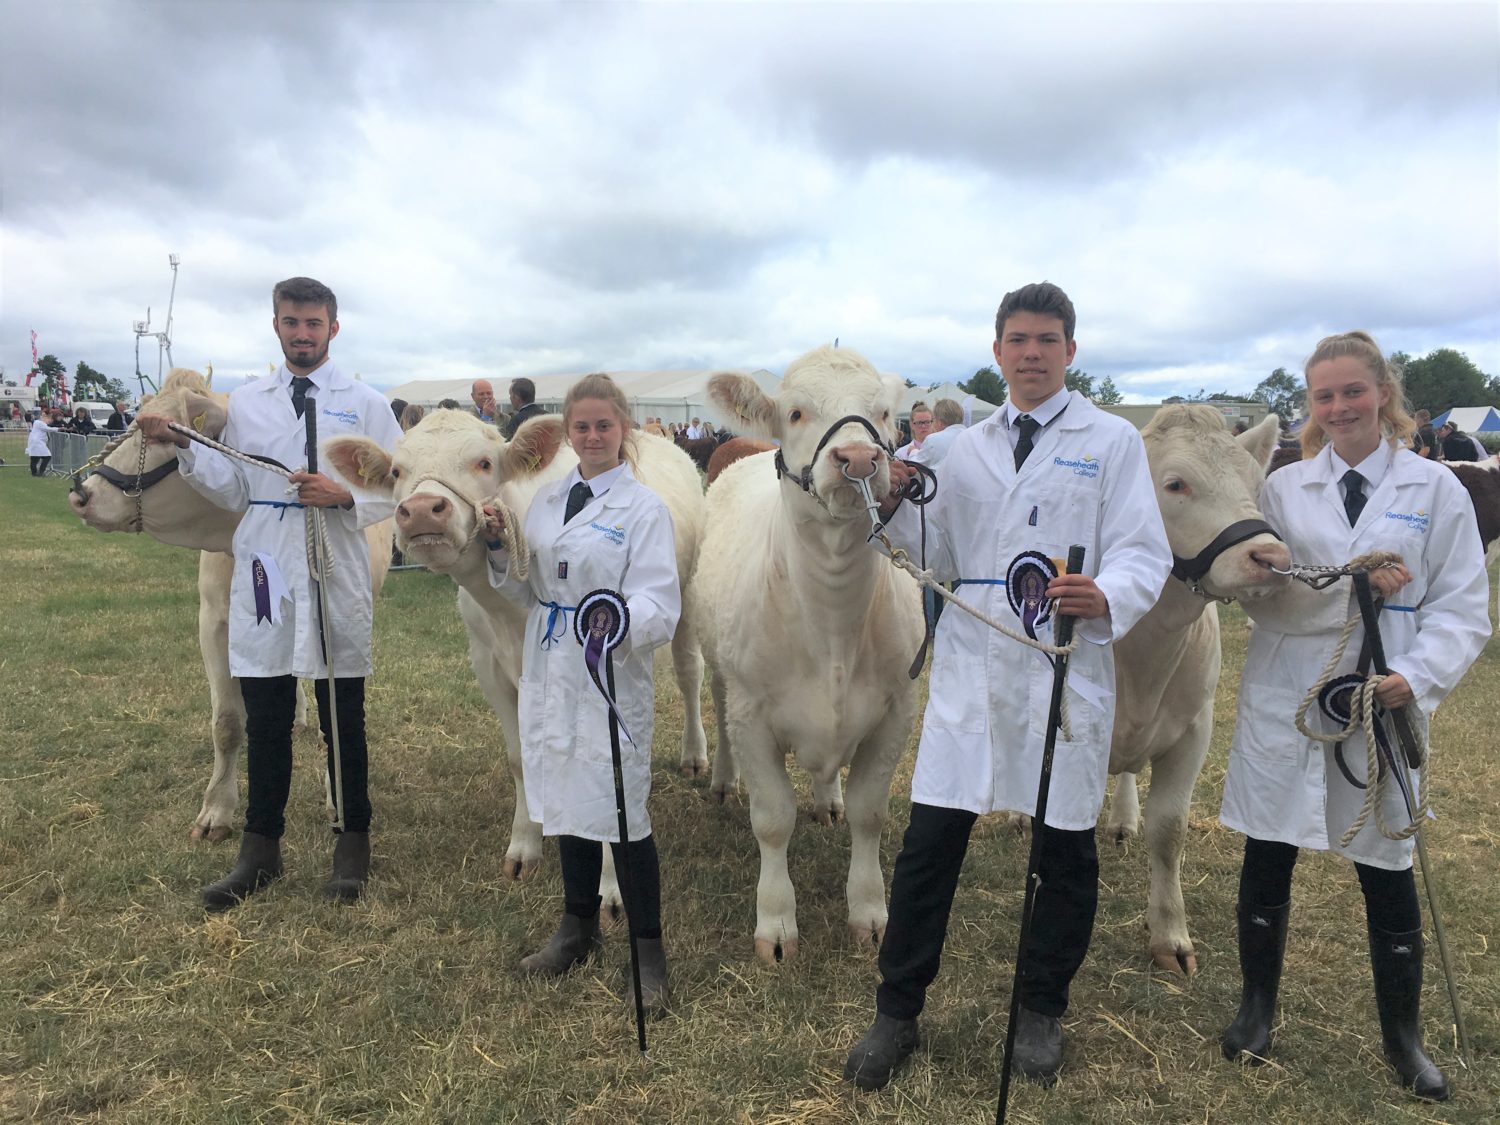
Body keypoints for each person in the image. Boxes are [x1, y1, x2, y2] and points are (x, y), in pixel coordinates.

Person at [844, 282, 1171, 1090]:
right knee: (929, 848)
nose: (1032, 352)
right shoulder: (965, 447)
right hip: (974, 666)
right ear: (997, 352)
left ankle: (1040, 1009)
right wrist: (890, 498)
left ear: (1070, 350)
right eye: (1018, 339)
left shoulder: (1112, 442)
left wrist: (1110, 594)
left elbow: (1142, 549)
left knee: (1063, 852)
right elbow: (933, 549)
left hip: (1063, 659)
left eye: (1047, 339)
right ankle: (897, 1008)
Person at [1219, 331, 1489, 1102]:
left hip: (1382, 691)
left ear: (1383, 395)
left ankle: (1403, 1035)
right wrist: (1350, 585)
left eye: (1351, 392)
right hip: (1291, 694)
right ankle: (1256, 1009)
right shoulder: (1282, 489)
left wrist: (1416, 672)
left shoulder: (1436, 490)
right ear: (1311, 406)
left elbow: (1464, 606)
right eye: (1323, 396)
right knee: (1268, 850)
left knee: (1385, 859)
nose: (1338, 408)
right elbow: (1255, 591)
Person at [137, 276, 401, 910]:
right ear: (276, 326)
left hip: (334, 558)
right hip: (266, 566)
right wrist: (184, 445)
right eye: (292, 322)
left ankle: (351, 841)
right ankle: (260, 848)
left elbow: (399, 482)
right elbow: (232, 486)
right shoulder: (250, 403)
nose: (302, 333)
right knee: (267, 711)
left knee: (343, 713)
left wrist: (345, 496)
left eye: (314, 323)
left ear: (333, 329)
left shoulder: (365, 404)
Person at [482, 372, 680, 1014]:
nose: (593, 436)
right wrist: (494, 548)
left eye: (604, 425)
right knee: (565, 792)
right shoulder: (544, 502)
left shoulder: (645, 510)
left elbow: (660, 603)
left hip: (608, 669)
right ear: (568, 433)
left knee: (621, 804)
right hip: (550, 661)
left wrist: (618, 620)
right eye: (582, 426)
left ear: (623, 430)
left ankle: (648, 951)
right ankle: (577, 926)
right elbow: (525, 587)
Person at [908, 398, 966, 467]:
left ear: (940, 423)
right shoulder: (975, 437)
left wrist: (913, 451)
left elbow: (916, 464)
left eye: (933, 420)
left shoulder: (933, 439)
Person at [27, 409, 60, 475]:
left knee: (35, 458)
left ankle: (35, 473)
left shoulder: (38, 423)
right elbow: (48, 429)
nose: (50, 421)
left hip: (36, 442)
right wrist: (59, 429)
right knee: (47, 456)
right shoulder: (39, 423)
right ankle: (40, 472)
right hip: (37, 442)